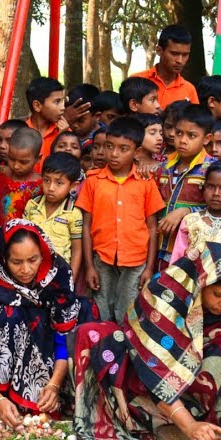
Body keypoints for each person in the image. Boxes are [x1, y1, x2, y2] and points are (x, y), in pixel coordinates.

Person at [73, 239, 221, 440]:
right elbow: (153, 371)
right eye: (218, 295)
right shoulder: (164, 295)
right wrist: (189, 426)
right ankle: (154, 419)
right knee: (94, 333)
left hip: (202, 390)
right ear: (200, 284)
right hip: (149, 382)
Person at [0, 221, 83, 422]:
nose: (25, 269)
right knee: (9, 314)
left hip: (48, 375)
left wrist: (54, 385)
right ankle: (1, 394)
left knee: (42, 318)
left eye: (33, 260)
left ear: (43, 254)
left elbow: (62, 341)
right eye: (16, 262)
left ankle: (44, 394)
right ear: (3, 259)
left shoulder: (58, 281)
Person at [78, 116, 164, 322]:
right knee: (103, 309)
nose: (114, 154)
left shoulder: (146, 183)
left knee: (129, 312)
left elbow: (152, 228)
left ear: (137, 152)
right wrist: (89, 266)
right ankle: (106, 348)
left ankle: (126, 351)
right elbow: (86, 226)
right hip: (103, 257)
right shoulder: (93, 181)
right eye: (109, 146)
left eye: (123, 149)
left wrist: (150, 267)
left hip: (136, 260)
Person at [154, 104, 216, 270]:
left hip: (191, 250)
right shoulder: (164, 166)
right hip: (160, 247)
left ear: (206, 139)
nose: (182, 140)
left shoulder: (212, 170)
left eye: (191, 135)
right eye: (179, 133)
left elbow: (218, 210)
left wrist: (186, 211)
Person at [24, 152, 85, 277]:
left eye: (59, 183)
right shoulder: (32, 206)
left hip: (59, 273)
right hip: (31, 271)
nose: (51, 187)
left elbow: (77, 250)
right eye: (46, 180)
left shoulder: (73, 213)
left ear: (73, 186)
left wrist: (71, 279)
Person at [171, 160, 221, 260]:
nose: (216, 193)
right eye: (211, 186)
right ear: (204, 188)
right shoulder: (190, 220)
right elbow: (177, 257)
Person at [0, 126, 44, 232]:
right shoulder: (0, 176)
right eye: (12, 159)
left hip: (24, 238)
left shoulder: (40, 185)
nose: (16, 166)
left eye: (23, 162)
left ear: (38, 159)